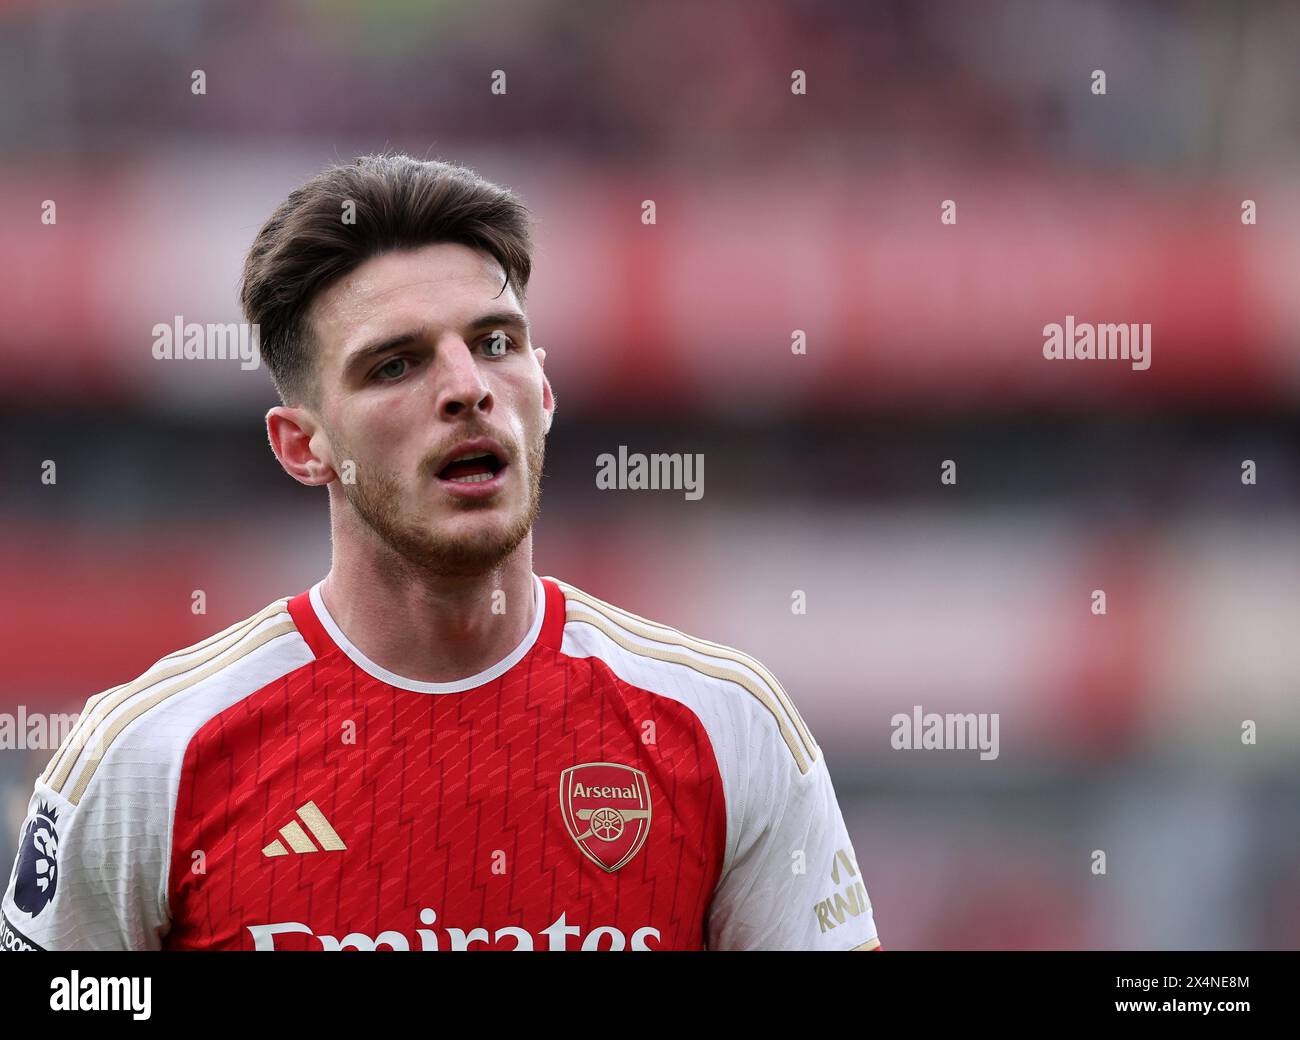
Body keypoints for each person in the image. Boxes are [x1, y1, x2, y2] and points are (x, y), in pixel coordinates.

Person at [1, 154, 880, 951]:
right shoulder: (149, 755)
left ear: (543, 388)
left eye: (496, 342)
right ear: (302, 446)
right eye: (394, 365)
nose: (466, 389)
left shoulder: (726, 728)